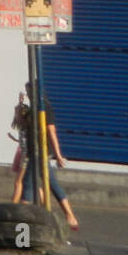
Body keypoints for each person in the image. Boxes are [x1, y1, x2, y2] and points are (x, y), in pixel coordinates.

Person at [11, 85, 80, 231]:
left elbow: (51, 132)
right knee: (51, 183)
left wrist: (58, 155)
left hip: (39, 152)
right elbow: (22, 125)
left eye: (29, 91)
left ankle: (23, 232)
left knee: (27, 187)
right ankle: (70, 217)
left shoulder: (44, 108)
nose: (28, 94)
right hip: (32, 151)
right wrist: (18, 109)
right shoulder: (31, 109)